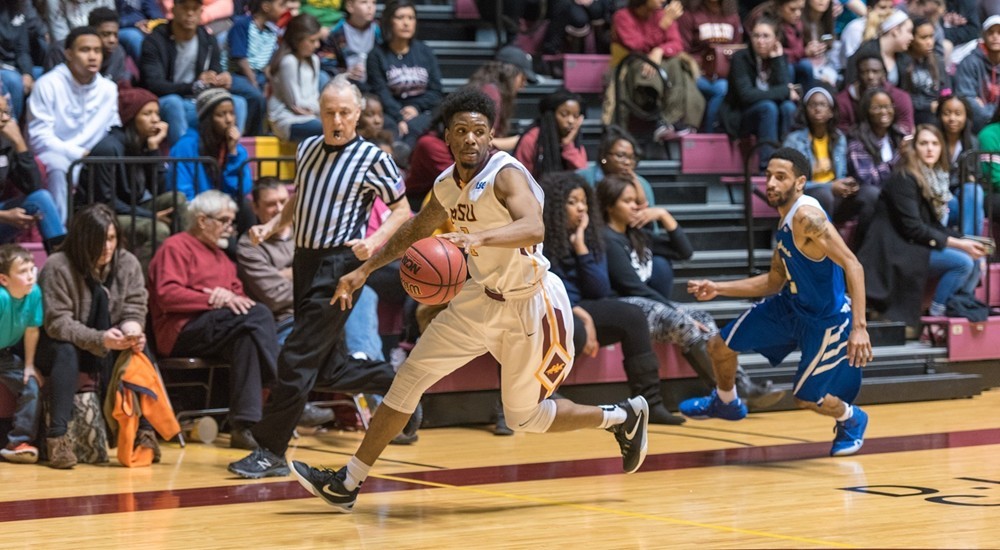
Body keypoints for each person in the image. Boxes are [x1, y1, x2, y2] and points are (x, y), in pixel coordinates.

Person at [287, 88, 651, 512]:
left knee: (524, 418)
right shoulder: (446, 184)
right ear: (448, 137)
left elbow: (533, 227)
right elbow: (416, 229)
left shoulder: (505, 175)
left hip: (531, 305)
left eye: (479, 131)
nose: (471, 139)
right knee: (407, 382)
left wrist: (477, 237)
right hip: (478, 300)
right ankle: (348, 482)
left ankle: (622, 416)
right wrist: (365, 268)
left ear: (490, 135)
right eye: (462, 131)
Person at [226, 75, 412, 479]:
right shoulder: (309, 148)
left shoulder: (374, 159)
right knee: (328, 371)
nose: (337, 120)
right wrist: (272, 226)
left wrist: (374, 241)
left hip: (340, 265)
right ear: (319, 112)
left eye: (345, 112)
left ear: (358, 114)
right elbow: (300, 198)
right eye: (329, 112)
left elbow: (402, 210)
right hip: (305, 259)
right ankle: (401, 384)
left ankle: (270, 450)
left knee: (295, 356)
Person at [681, 147, 873, 457]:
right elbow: (773, 279)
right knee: (718, 346)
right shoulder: (785, 219)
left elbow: (854, 265)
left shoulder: (807, 217)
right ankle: (726, 401)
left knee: (806, 398)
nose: (770, 183)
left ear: (799, 182)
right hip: (790, 305)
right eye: (768, 176)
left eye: (780, 177)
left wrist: (860, 328)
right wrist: (718, 288)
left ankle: (851, 418)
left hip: (826, 320)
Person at [542, 172, 684, 424]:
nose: (581, 208)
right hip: (551, 309)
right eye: (573, 202)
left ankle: (649, 402)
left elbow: (599, 290)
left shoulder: (591, 236)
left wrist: (581, 248)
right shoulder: (540, 239)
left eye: (584, 201)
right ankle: (544, 394)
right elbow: (544, 288)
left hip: (583, 306)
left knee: (632, 315)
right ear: (555, 206)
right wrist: (577, 312)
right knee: (571, 328)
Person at [148, 190, 279, 450]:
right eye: (224, 221)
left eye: (231, 222)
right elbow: (166, 294)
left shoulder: (222, 258)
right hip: (181, 330)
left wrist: (229, 297)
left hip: (218, 329)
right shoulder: (175, 246)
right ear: (201, 220)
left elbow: (240, 301)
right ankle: (282, 385)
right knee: (259, 314)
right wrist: (211, 299)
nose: (229, 228)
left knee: (248, 338)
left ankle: (243, 426)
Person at [37, 204, 151, 469]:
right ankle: (58, 438)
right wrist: (100, 339)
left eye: (111, 239)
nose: (107, 247)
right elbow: (57, 323)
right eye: (99, 241)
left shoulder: (127, 262)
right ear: (82, 239)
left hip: (108, 336)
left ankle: (144, 432)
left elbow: (135, 304)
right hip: (57, 342)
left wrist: (133, 329)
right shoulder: (58, 265)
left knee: (140, 348)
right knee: (64, 350)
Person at [857, 125, 987, 332]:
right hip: (896, 249)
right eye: (924, 143)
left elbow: (932, 225)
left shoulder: (932, 177)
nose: (930, 149)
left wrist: (968, 242)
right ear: (914, 148)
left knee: (975, 258)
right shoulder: (904, 178)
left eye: (935, 144)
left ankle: (957, 306)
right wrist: (960, 245)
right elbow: (914, 228)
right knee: (962, 262)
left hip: (914, 243)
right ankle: (936, 316)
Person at [77, 86, 186, 269]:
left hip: (128, 209)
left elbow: (159, 190)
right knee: (158, 229)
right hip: (97, 216)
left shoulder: (143, 144)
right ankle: (142, 288)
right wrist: (151, 216)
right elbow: (105, 202)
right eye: (147, 114)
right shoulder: (108, 149)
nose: (156, 120)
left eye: (157, 113)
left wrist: (153, 150)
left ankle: (184, 267)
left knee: (178, 200)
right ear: (132, 118)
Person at [28, 26, 121, 224]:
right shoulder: (48, 84)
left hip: (95, 160)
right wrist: (79, 154)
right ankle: (59, 234)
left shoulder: (109, 89)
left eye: (97, 50)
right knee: (58, 165)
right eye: (85, 50)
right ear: (68, 53)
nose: (93, 56)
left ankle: (104, 230)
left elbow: (113, 130)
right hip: (56, 154)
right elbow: (39, 137)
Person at [139, 0, 246, 146]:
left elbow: (216, 71)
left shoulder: (208, 40)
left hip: (200, 102)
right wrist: (194, 85)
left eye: (194, 9)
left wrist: (221, 80)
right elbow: (154, 84)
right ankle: (184, 161)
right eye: (185, 8)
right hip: (166, 102)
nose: (190, 13)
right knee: (173, 102)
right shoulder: (155, 40)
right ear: (174, 10)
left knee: (238, 103)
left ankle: (228, 154)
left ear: (201, 12)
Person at [783, 86, 878, 236]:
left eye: (822, 104)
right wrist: (830, 186)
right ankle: (826, 251)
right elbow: (791, 183)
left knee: (871, 194)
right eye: (812, 105)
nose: (817, 109)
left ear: (831, 111)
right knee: (824, 194)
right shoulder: (794, 140)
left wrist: (848, 184)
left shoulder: (839, 138)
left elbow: (842, 174)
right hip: (807, 200)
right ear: (805, 110)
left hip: (836, 196)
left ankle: (861, 248)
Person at [611, 0, 703, 139]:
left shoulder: (662, 14)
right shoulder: (622, 16)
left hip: (663, 65)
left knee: (675, 63)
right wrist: (662, 26)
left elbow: (677, 44)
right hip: (630, 67)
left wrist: (659, 51)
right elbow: (637, 46)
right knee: (648, 65)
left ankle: (668, 120)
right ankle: (658, 114)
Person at [718, 16, 798, 172]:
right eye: (756, 36)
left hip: (771, 114)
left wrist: (777, 60)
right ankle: (768, 166)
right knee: (768, 108)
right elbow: (746, 96)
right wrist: (784, 92)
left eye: (766, 36)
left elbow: (786, 92)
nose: (760, 41)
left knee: (788, 108)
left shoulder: (780, 58)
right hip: (742, 115)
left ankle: (789, 162)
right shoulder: (740, 58)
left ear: (776, 39)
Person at [366, 0, 443, 147]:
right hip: (390, 111)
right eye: (400, 18)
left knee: (422, 122)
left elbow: (435, 90)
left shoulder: (425, 52)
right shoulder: (377, 55)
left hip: (422, 111)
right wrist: (399, 116)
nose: (406, 23)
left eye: (410, 18)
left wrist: (416, 108)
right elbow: (380, 91)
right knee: (388, 125)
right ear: (389, 21)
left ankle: (403, 153)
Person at [0, 94, 65, 251]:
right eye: (0, 113)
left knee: (41, 199)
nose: (6, 118)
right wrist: (4, 216)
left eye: (7, 111)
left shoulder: (5, 143)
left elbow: (34, 187)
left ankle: (64, 264)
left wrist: (20, 144)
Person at [168, 88, 252, 203]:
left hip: (225, 209)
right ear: (208, 119)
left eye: (232, 113)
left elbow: (241, 190)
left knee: (246, 206)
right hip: (197, 210)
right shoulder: (185, 147)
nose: (229, 120)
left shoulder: (237, 149)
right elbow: (183, 192)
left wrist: (233, 153)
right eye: (220, 115)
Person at [0, 245, 43, 464]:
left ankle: (17, 442)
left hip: (5, 355)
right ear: (4, 279)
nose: (30, 276)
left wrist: (28, 365)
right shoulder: (2, 298)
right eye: (22, 271)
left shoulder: (34, 293)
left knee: (31, 385)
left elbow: (32, 330)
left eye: (31, 269)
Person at [677, 0, 744, 133]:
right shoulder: (689, 14)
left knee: (734, 87)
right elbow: (681, 50)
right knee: (722, 88)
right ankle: (709, 135)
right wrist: (704, 64)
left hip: (726, 72)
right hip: (696, 72)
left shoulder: (732, 16)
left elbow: (738, 48)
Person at [227, 0, 283, 137]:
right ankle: (252, 137)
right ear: (266, 6)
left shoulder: (272, 32)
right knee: (256, 97)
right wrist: (255, 83)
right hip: (236, 75)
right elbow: (241, 59)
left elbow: (266, 64)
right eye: (281, 5)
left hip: (260, 76)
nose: (284, 10)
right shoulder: (242, 25)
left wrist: (270, 83)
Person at [267, 13, 323, 142]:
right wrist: (317, 109)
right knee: (328, 130)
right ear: (297, 40)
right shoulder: (289, 61)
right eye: (312, 41)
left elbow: (314, 96)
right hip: (287, 119)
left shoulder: (314, 60)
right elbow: (295, 104)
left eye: (318, 40)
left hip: (311, 116)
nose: (317, 45)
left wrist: (313, 111)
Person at [514, 89, 587, 180]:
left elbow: (582, 174)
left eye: (576, 116)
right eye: (564, 115)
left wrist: (568, 144)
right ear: (551, 115)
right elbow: (520, 178)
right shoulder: (532, 139)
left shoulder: (575, 140)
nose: (571, 121)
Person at [937, 94, 984, 236]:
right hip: (940, 198)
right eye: (947, 113)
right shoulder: (933, 140)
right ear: (939, 116)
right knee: (963, 206)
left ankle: (969, 242)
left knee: (973, 191)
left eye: (958, 114)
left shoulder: (973, 142)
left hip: (963, 197)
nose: (952, 119)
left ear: (966, 117)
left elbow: (977, 177)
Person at [835, 53, 915, 134]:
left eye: (875, 71)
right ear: (858, 75)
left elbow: (906, 129)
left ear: (884, 74)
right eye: (864, 72)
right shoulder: (843, 101)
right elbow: (841, 133)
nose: (870, 76)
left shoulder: (900, 97)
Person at [846, 87, 907, 192]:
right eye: (877, 108)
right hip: (871, 197)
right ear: (866, 111)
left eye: (888, 106)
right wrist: (899, 155)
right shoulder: (857, 141)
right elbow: (868, 179)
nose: (884, 111)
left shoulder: (898, 135)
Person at [898, 16, 948, 125]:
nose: (929, 42)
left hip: (937, 110)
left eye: (931, 36)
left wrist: (943, 103)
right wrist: (927, 105)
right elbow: (901, 95)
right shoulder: (903, 62)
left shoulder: (937, 60)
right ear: (912, 38)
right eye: (924, 37)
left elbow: (946, 88)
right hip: (914, 113)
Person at [954, 16, 1000, 132]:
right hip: (975, 126)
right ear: (983, 36)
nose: (995, 37)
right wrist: (993, 115)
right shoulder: (969, 62)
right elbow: (966, 98)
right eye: (991, 32)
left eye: (999, 33)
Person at [321, 0, 380, 84]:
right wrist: (346, 73)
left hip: (373, 83)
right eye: (364, 2)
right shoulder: (337, 32)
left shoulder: (378, 31)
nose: (370, 7)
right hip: (344, 83)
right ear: (350, 6)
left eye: (374, 3)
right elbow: (327, 63)